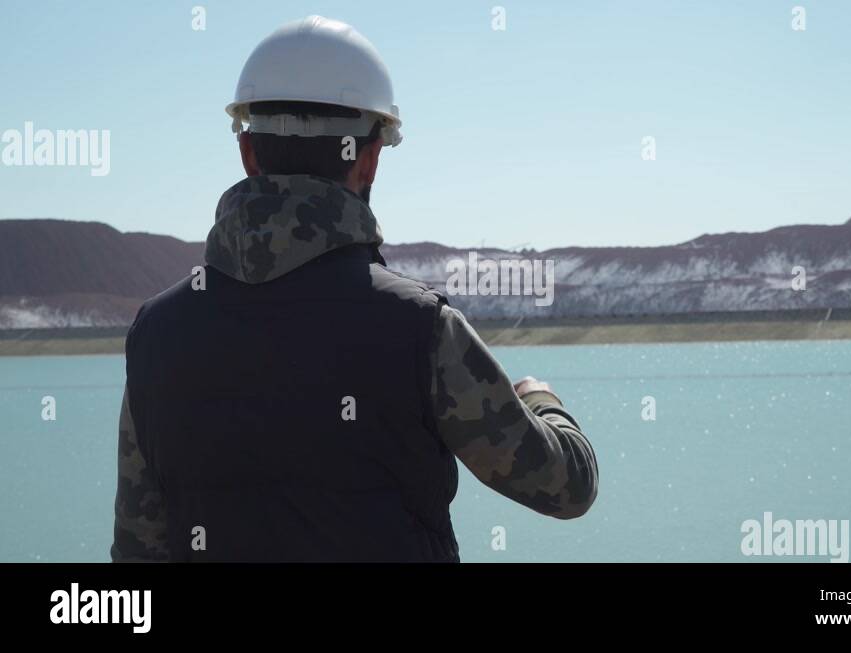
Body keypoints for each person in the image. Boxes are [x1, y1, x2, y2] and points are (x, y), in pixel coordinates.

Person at [111, 16, 598, 562]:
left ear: (248, 153)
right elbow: (564, 488)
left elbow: (138, 548)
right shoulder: (418, 328)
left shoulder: (156, 333)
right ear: (369, 159)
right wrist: (542, 402)